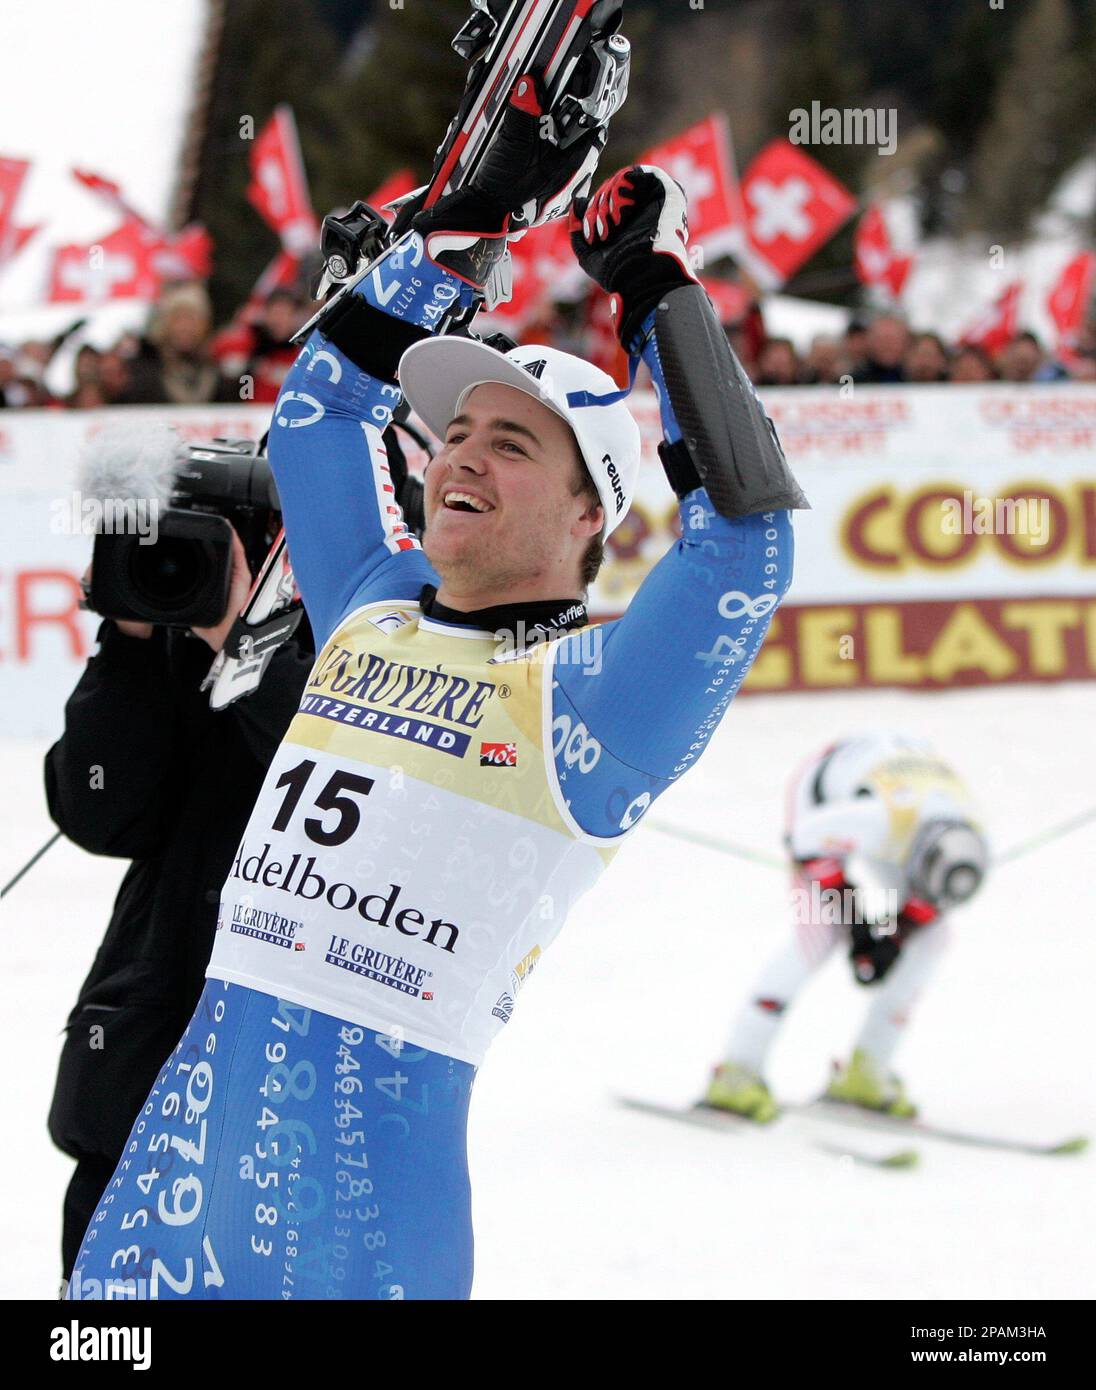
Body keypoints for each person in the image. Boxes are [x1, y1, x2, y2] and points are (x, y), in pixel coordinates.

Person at [67, 90, 805, 1300]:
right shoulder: (373, 597)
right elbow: (320, 403)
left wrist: (652, 283)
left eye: (511, 445)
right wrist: (466, 223)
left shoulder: (589, 703)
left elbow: (746, 549)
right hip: (163, 1192)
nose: (460, 454)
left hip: (353, 1237)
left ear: (588, 516)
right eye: (457, 431)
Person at [46, 521, 316, 1290]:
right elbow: (99, 811)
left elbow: (348, 790)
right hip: (135, 1083)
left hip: (287, 1125)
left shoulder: (379, 619)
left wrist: (245, 643)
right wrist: (130, 636)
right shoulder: (175, 629)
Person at [703, 732, 988, 1122]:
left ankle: (867, 1073)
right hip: (824, 799)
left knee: (932, 940)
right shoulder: (872, 823)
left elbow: (937, 898)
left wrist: (897, 934)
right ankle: (737, 1074)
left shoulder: (975, 838)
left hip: (903, 810)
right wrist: (856, 927)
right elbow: (806, 844)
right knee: (820, 932)